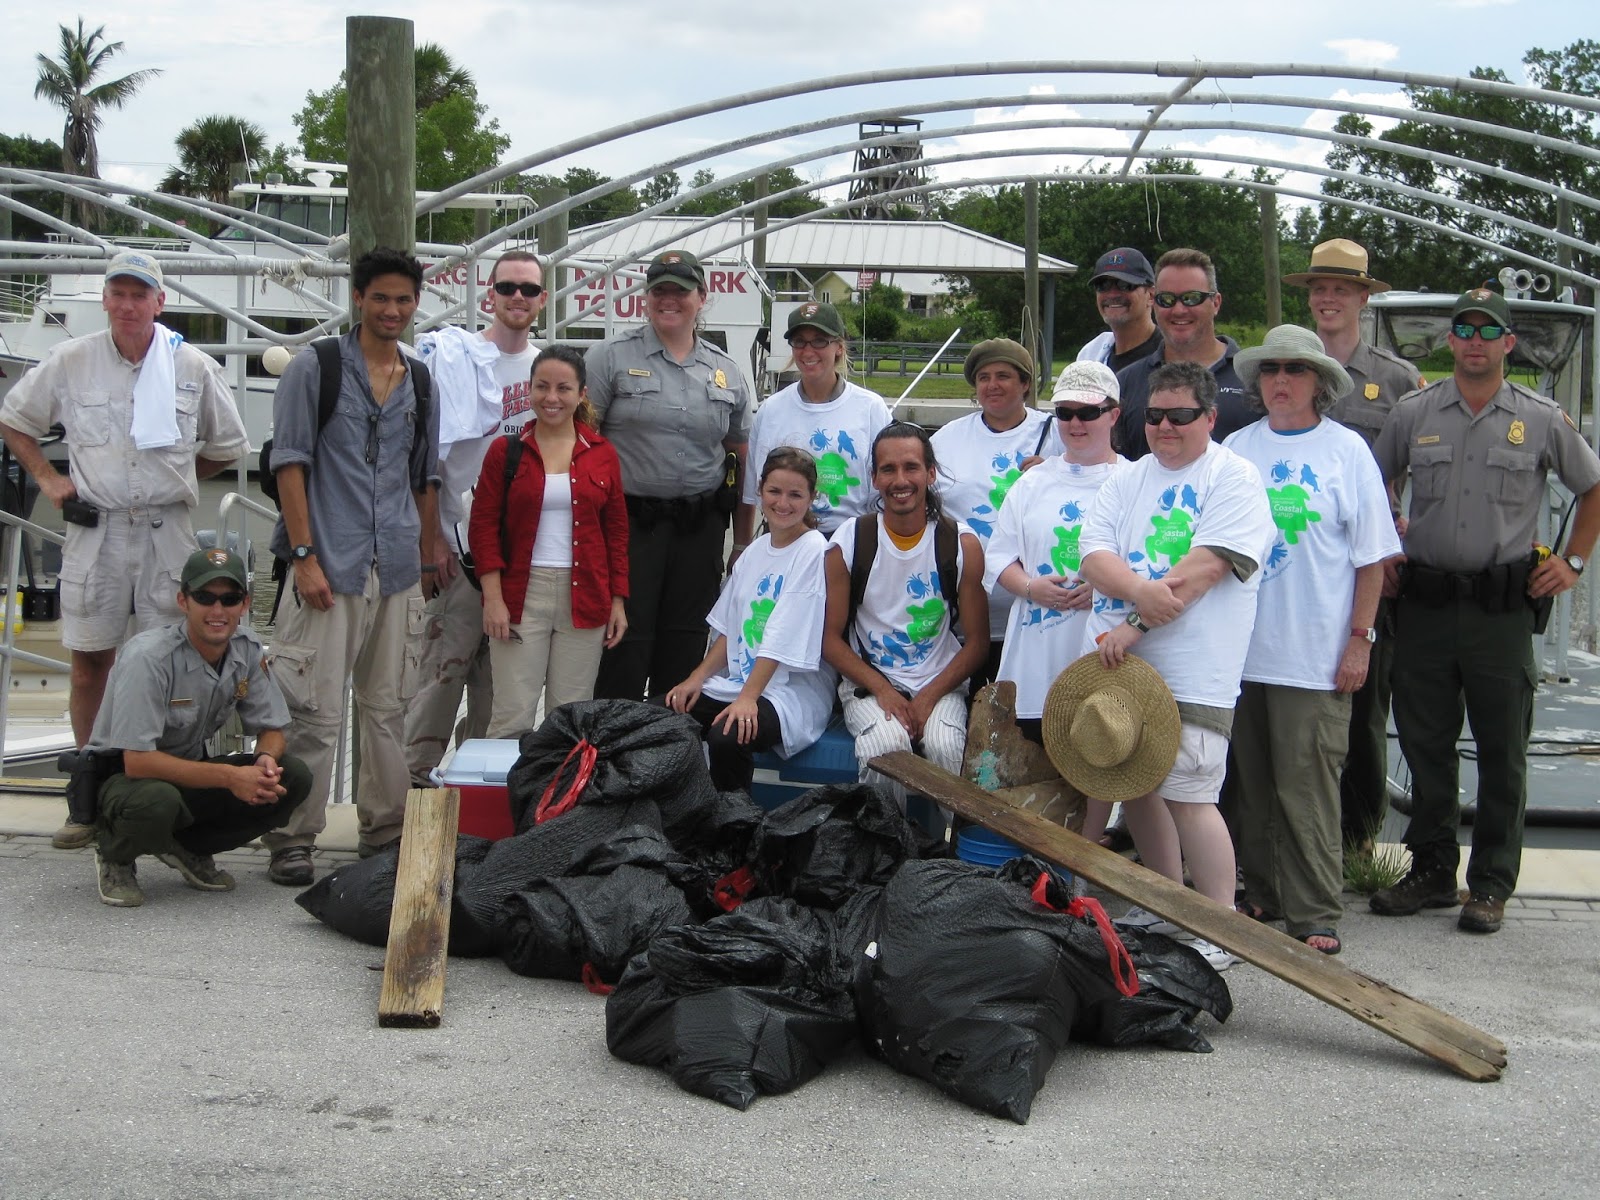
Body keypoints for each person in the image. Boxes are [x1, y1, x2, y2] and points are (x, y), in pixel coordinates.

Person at [0, 250, 249, 850]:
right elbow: (14, 419)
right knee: (90, 661)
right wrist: (50, 481)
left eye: (142, 294)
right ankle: (88, 794)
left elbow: (231, 442)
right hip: (97, 529)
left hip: (167, 530)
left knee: (174, 661)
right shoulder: (70, 359)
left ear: (160, 303)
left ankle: (166, 793)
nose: (129, 304)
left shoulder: (188, 362)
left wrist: (182, 477)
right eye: (120, 293)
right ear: (106, 300)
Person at [1371, 288, 1600, 935]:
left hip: (1501, 613)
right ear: (1452, 341)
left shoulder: (1540, 417)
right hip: (1424, 605)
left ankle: (1491, 884)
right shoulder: (1415, 413)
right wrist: (1388, 535)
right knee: (1425, 746)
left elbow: (1593, 486)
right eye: (1464, 329)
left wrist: (1572, 563)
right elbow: (1374, 478)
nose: (1474, 339)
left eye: (1487, 330)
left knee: (1503, 751)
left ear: (1507, 343)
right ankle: (1432, 871)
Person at [1079, 361, 1275, 971]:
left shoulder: (1235, 478)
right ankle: (1167, 906)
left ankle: (1219, 925)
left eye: (1180, 416)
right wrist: (1140, 596)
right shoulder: (1125, 479)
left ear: (1209, 418)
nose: (1164, 427)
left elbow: (1206, 567)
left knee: (1191, 792)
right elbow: (1093, 554)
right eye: (1155, 416)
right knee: (1132, 784)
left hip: (1195, 667)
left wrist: (1135, 624)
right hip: (1118, 662)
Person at [262, 246, 441, 885]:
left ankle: (385, 829)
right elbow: (290, 463)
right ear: (358, 298)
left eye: (404, 299)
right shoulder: (315, 367)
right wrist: (304, 557)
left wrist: (428, 551)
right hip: (327, 563)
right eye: (381, 297)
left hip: (392, 566)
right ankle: (292, 834)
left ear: (416, 305)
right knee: (311, 708)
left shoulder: (420, 379)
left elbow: (425, 476)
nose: (392, 310)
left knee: (389, 707)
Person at [1223, 325, 1401, 955]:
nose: (1280, 382)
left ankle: (1317, 909)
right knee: (1251, 783)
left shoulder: (1347, 451)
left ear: (1319, 383)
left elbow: (1372, 558)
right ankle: (1264, 892)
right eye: (1270, 372)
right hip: (1241, 652)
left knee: (1308, 786)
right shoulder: (1236, 449)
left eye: (1294, 371)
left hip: (1315, 653)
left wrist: (1361, 639)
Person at [1283, 239, 1425, 854]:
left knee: (1362, 703)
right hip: (1297, 567)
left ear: (1365, 297)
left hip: (1368, 569)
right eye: (1319, 287)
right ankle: (1286, 835)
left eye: (1342, 287)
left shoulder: (1398, 380)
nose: (1328, 298)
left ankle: (1359, 839)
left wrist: (1399, 541)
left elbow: (1431, 469)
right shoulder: (1285, 364)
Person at [84, 547, 312, 907]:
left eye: (230, 598)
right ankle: (114, 854)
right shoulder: (149, 658)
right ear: (183, 601)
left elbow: (272, 727)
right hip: (124, 780)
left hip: (187, 772)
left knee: (292, 776)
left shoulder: (246, 648)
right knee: (157, 801)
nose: (218, 611)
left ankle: (188, 849)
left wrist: (265, 761)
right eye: (205, 597)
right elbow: (137, 762)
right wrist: (231, 778)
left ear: (245, 603)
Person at [586, 249, 755, 701]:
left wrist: (741, 542)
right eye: (659, 290)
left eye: (680, 292)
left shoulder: (727, 371)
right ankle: (611, 749)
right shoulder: (609, 358)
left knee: (685, 644)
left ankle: (670, 752)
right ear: (646, 298)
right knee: (623, 641)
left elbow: (742, 459)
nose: (669, 300)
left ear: (702, 297)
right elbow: (582, 448)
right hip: (629, 529)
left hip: (699, 531)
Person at [403, 250, 545, 784]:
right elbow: (428, 460)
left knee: (499, 694)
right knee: (438, 682)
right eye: (507, 287)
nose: (517, 297)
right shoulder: (453, 359)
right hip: (457, 551)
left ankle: (475, 801)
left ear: (542, 299)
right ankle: (406, 800)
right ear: (489, 294)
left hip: (520, 561)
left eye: (529, 289)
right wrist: (430, 543)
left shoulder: (547, 370)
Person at [985, 360, 1127, 842]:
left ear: (1114, 415)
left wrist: (1108, 586)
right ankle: (1036, 860)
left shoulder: (1134, 482)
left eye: (1089, 412)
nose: (1076, 424)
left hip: (1100, 648)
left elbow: (1152, 563)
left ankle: (1087, 859)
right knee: (1034, 752)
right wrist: (1030, 587)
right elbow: (998, 558)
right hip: (1035, 649)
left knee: (1097, 757)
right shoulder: (1032, 483)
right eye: (1065, 412)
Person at [823, 423, 989, 818]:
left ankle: (956, 855)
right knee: (885, 747)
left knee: (948, 745)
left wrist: (929, 696)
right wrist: (883, 690)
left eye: (911, 467)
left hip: (940, 678)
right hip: (871, 682)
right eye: (888, 469)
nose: (901, 480)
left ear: (930, 473)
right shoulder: (851, 541)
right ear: (874, 478)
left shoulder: (960, 543)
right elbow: (829, 639)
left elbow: (978, 642)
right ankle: (888, 854)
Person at [469, 346, 629, 737]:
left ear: (581, 394)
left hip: (586, 595)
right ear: (529, 390)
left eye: (563, 388)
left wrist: (618, 600)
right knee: (512, 715)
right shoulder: (504, 451)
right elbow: (483, 526)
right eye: (542, 387)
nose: (552, 398)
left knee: (571, 720)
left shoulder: (603, 454)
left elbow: (617, 532)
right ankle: (505, 798)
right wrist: (492, 598)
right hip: (522, 594)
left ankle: (560, 798)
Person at [664, 447, 835, 790]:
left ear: (812, 498)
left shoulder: (814, 549)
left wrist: (748, 698)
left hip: (787, 693)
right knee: (661, 714)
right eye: (774, 491)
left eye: (795, 494)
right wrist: (695, 679)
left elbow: (783, 634)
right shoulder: (754, 551)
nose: (783, 503)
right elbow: (730, 629)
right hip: (740, 682)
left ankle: (731, 830)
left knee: (727, 737)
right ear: (759, 491)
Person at [929, 338, 1061, 681]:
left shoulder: (1057, 436)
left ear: (1026, 383)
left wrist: (1054, 473)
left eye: (1003, 375)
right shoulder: (945, 440)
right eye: (983, 377)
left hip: (1037, 613)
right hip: (963, 617)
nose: (992, 385)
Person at [739, 302, 890, 534]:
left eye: (820, 340)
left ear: (839, 346)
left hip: (850, 539)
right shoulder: (770, 410)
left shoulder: (871, 409)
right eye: (799, 341)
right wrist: (741, 545)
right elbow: (753, 491)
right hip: (784, 537)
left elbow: (885, 491)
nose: (808, 351)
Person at [1112, 248, 1251, 458]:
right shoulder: (1126, 383)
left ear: (1216, 303)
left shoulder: (1252, 379)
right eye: (1166, 299)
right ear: (1154, 303)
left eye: (1191, 298)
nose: (1178, 310)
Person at [1076, 247, 1162, 373]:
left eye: (1125, 285)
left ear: (1151, 295)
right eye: (1103, 285)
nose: (1112, 294)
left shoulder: (1170, 354)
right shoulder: (1090, 354)